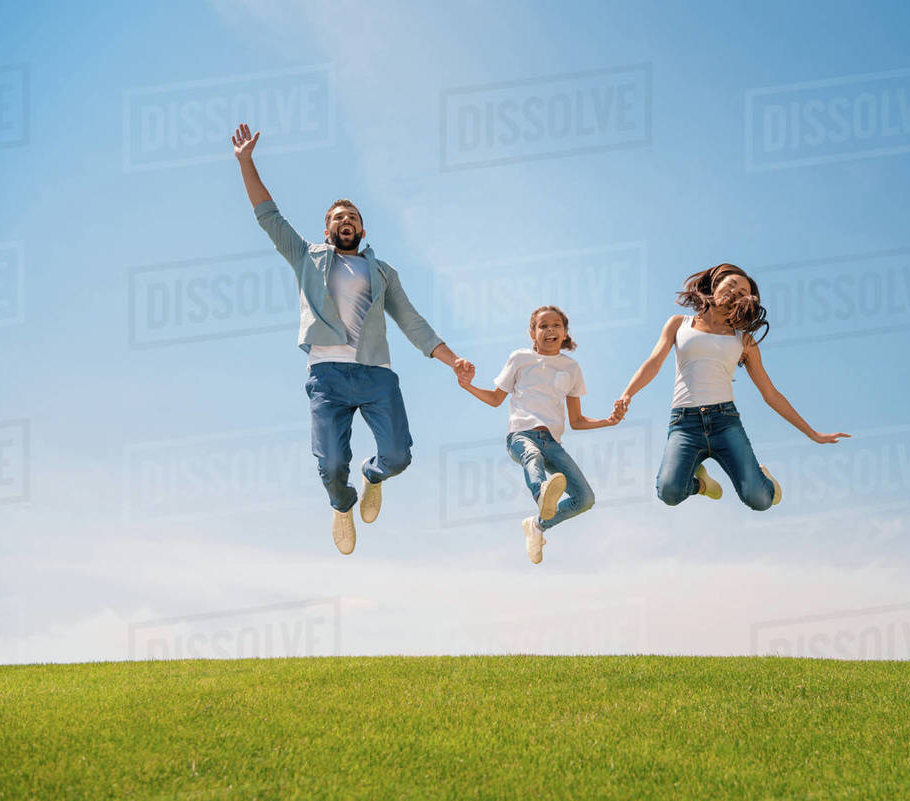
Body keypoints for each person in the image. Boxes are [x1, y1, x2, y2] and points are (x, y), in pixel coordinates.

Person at [232, 123, 473, 555]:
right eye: (338, 218)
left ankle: (373, 475)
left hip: (376, 374)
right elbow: (269, 215)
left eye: (353, 217)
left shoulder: (382, 272)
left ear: (362, 229)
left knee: (398, 457)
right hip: (326, 374)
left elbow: (412, 321)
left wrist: (452, 360)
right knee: (330, 467)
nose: (346, 221)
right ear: (327, 230)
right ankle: (342, 504)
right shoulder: (306, 256)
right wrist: (246, 162)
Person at [615, 264, 849, 511]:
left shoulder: (743, 340)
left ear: (747, 301)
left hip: (724, 422)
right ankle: (703, 485)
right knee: (669, 492)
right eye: (731, 284)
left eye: (743, 291)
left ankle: (763, 479)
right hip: (685, 423)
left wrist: (812, 433)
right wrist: (627, 394)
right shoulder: (678, 324)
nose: (735, 291)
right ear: (715, 284)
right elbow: (653, 363)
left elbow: (770, 393)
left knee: (760, 501)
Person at [456, 306, 623, 563]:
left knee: (585, 499)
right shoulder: (520, 359)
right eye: (542, 326)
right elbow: (495, 399)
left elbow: (577, 420)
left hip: (553, 444)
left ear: (565, 333)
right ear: (532, 334)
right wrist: (467, 387)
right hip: (521, 436)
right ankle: (540, 493)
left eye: (556, 325)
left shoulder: (572, 368)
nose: (550, 330)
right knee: (531, 456)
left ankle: (538, 525)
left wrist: (608, 421)